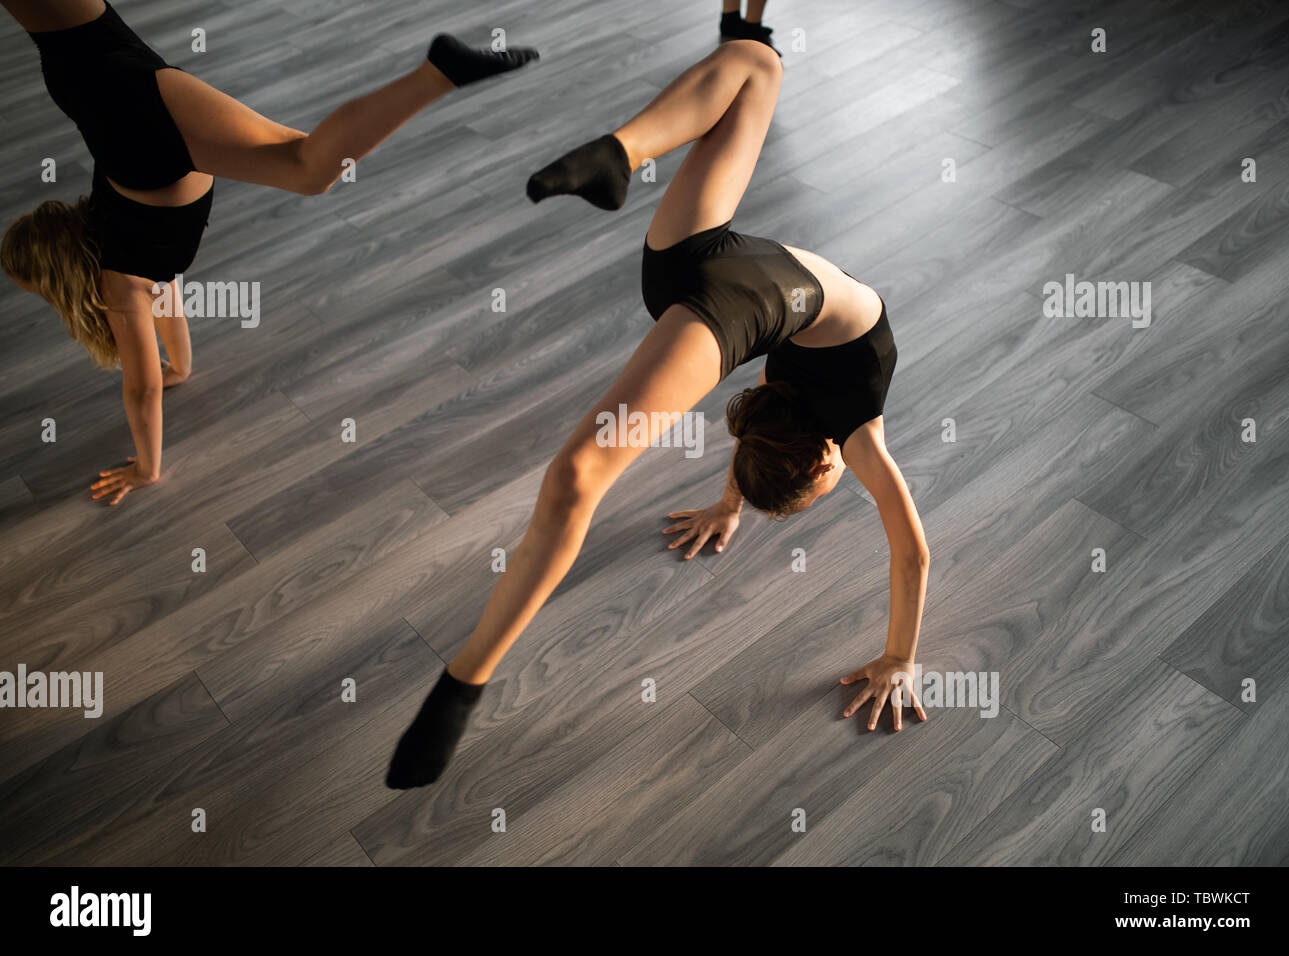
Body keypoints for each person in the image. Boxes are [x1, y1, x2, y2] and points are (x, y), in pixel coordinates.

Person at [387, 38, 929, 790]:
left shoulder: (807, 411)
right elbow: (913, 555)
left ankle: (621, 150)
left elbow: (784, 460)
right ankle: (462, 685)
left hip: (711, 258)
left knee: (755, 63)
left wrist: (728, 504)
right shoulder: (858, 430)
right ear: (821, 460)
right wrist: (901, 658)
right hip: (720, 295)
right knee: (579, 475)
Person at [1, 0, 537, 505]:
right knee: (311, 154)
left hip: (139, 120)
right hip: (112, 69)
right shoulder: (128, 255)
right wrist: (182, 368)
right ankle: (438, 73)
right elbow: (168, 297)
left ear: (60, 282)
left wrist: (145, 470)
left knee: (310, 169)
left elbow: (141, 392)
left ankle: (437, 74)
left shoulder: (121, 289)